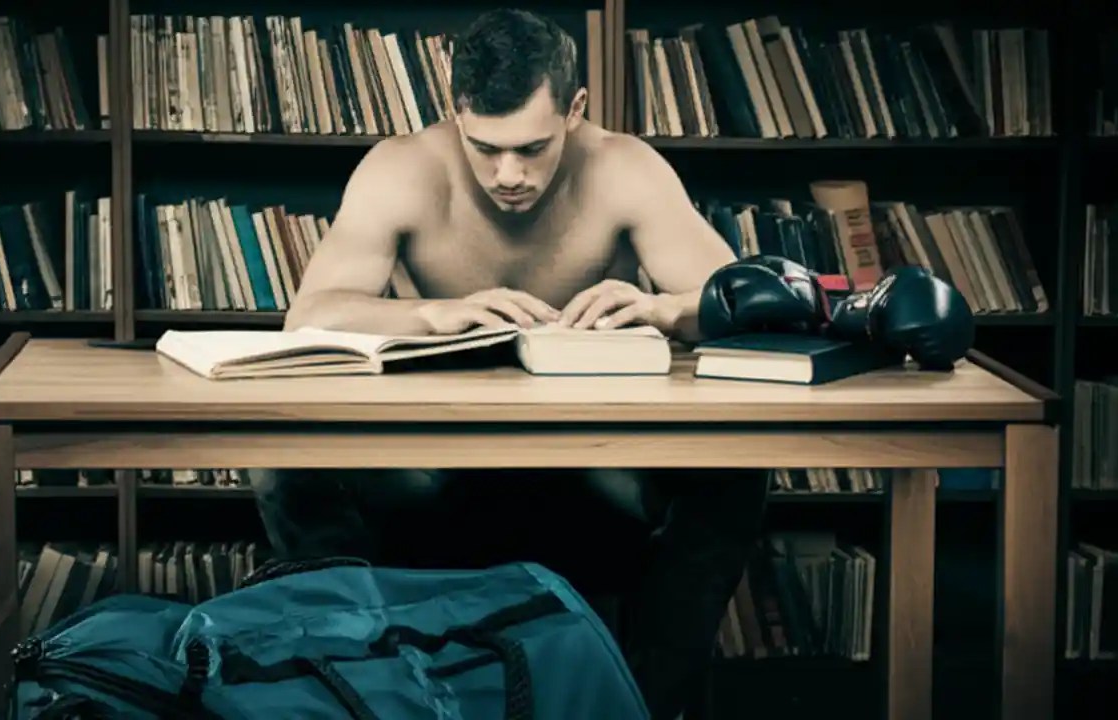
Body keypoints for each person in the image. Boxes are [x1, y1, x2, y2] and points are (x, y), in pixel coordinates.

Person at [247, 9, 769, 719]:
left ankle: (639, 704)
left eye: (532, 146)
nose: (509, 175)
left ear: (576, 110)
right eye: (485, 147)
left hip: (591, 480)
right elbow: (308, 317)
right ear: (455, 112)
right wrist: (427, 314)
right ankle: (371, 694)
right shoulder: (403, 169)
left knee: (739, 465)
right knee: (285, 461)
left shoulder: (624, 168)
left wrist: (662, 309)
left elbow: (746, 305)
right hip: (437, 478)